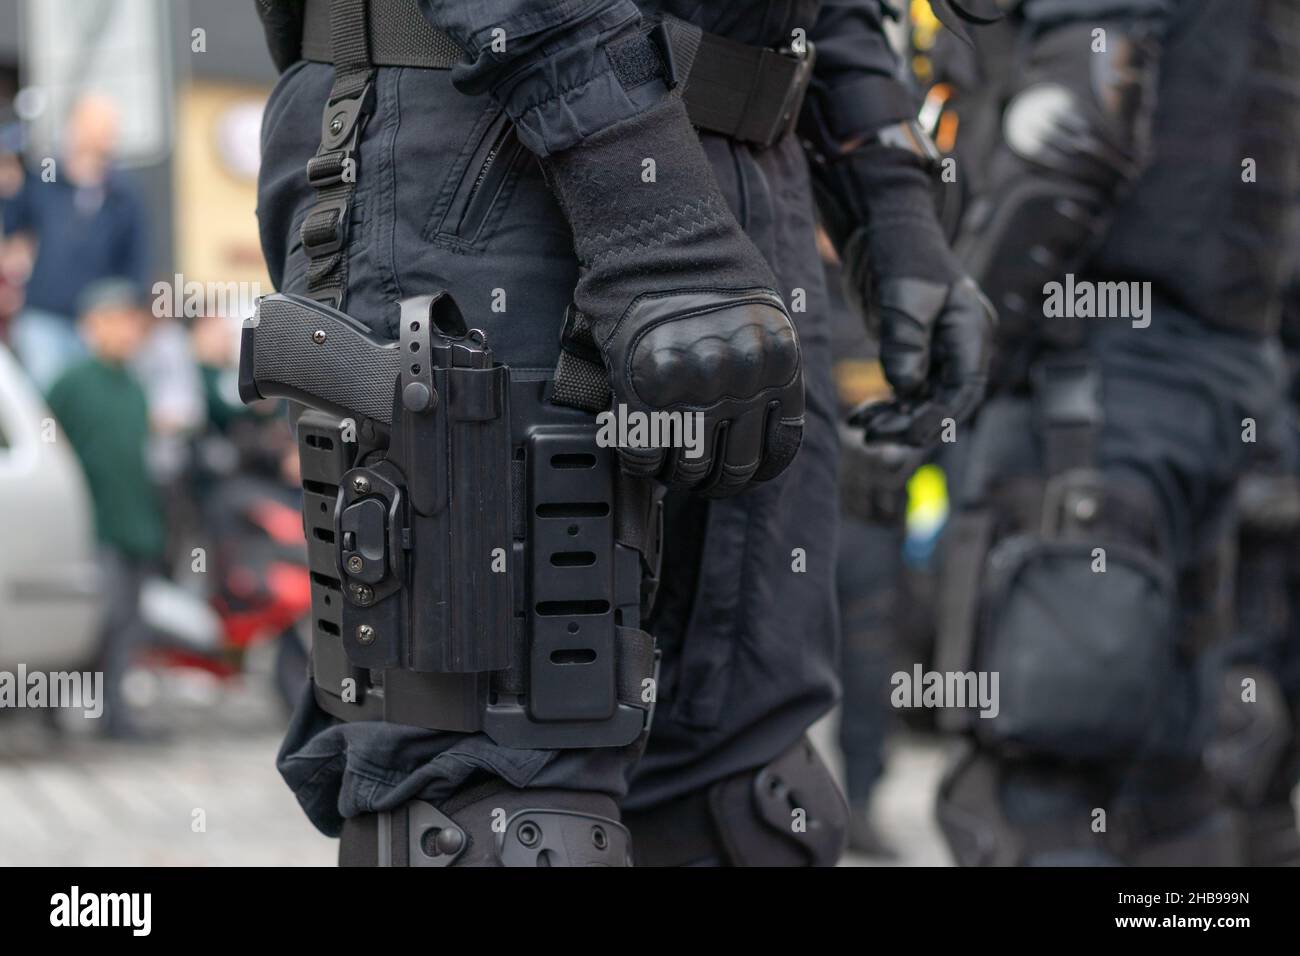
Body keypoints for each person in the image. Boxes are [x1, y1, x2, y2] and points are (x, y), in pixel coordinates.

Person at [250, 0, 993, 866]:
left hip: (744, 192)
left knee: (741, 805)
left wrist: (887, 202)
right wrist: (652, 215)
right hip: (490, 142)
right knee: (498, 812)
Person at [928, 0, 1300, 865]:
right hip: (1207, 382)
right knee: (1173, 797)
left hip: (1094, 394)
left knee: (1035, 796)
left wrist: (951, 354)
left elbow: (1069, 132)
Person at [46, 280, 165, 740]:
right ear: (89, 326)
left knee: (129, 626)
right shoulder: (71, 384)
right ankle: (58, 710)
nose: (126, 331)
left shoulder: (135, 387)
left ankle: (116, 716)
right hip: (93, 527)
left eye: (131, 321)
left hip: (136, 524)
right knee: (100, 621)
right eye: (113, 320)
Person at [2, 94, 150, 391]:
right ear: (75, 127)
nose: (107, 134)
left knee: (91, 402)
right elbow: (12, 223)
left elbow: (135, 262)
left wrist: (123, 316)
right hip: (44, 313)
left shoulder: (124, 194)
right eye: (98, 125)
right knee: (48, 405)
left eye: (110, 127)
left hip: (97, 325)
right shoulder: (43, 179)